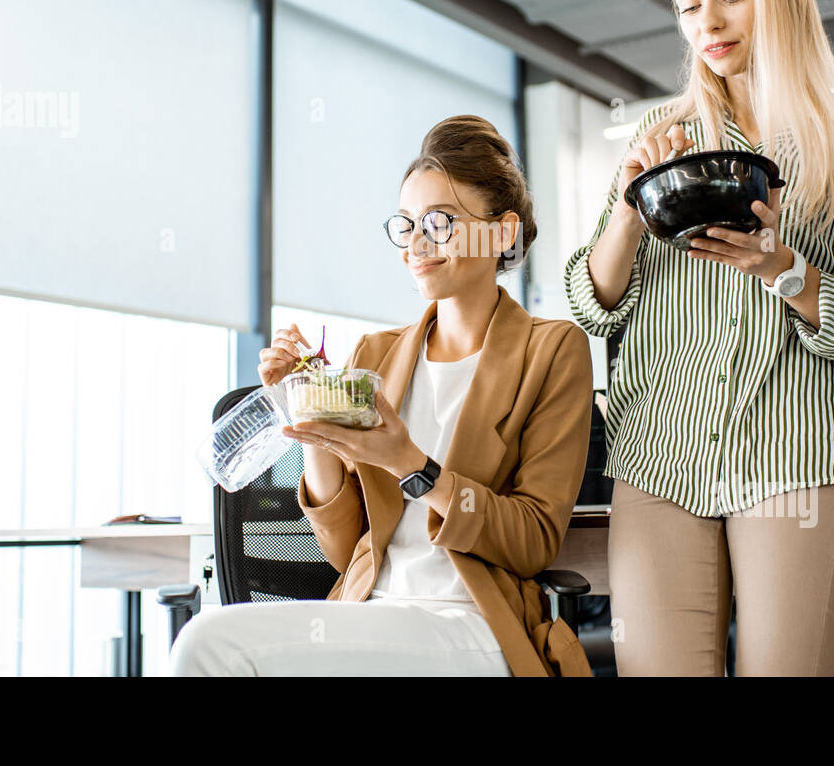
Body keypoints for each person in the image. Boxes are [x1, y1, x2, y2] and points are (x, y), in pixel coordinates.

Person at [563, 0, 834, 676]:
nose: (709, 21)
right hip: (659, 460)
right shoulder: (665, 135)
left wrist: (781, 270)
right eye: (689, 4)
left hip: (801, 457)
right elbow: (590, 300)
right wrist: (628, 209)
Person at [171, 115, 593, 676]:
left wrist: (410, 464)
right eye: (405, 224)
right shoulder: (376, 354)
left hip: (471, 620)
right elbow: (346, 551)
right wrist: (311, 421)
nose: (415, 244)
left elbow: (532, 542)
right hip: (371, 610)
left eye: (440, 223)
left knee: (210, 645)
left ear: (502, 232)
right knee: (209, 638)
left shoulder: (552, 351)